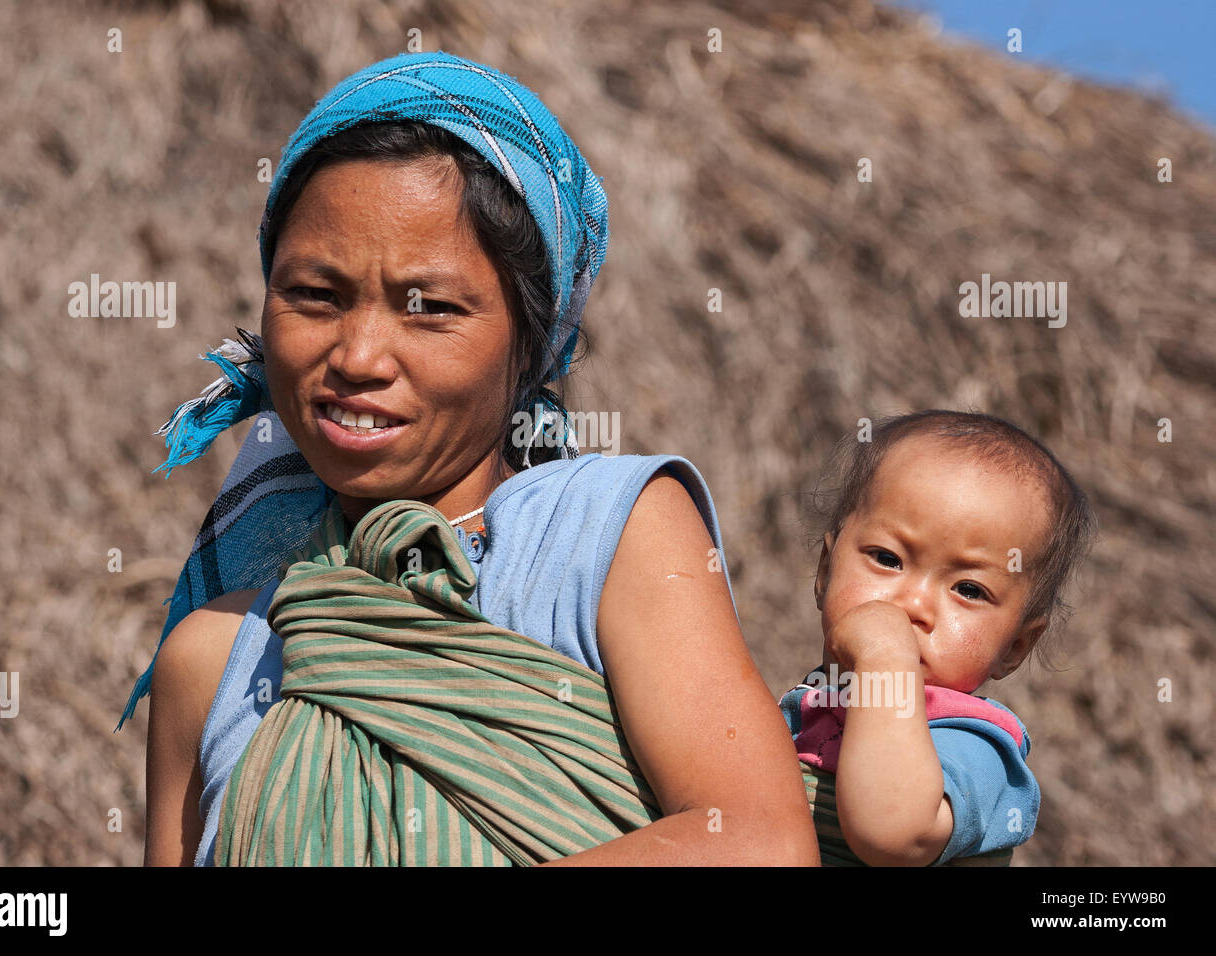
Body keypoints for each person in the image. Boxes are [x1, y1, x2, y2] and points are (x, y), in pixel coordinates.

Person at [122, 50, 819, 866]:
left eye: (431, 309)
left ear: (529, 343)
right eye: (315, 295)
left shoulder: (605, 540)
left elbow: (757, 841)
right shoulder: (211, 661)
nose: (358, 354)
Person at [779, 410, 1097, 865]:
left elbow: (889, 831)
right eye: (887, 559)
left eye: (968, 589)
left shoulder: (971, 746)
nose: (913, 604)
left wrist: (887, 660)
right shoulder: (815, 705)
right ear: (825, 572)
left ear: (1015, 648)